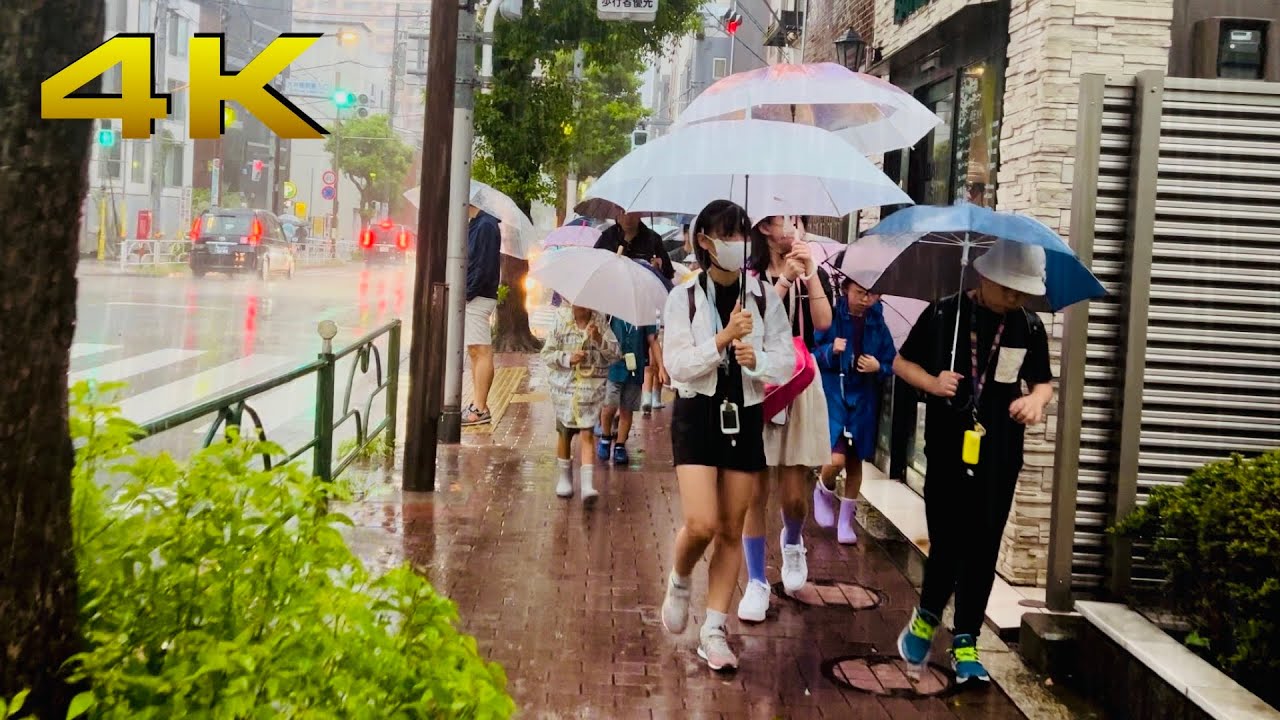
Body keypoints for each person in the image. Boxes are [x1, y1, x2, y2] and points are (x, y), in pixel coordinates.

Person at [892, 239, 1054, 684]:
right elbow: (901, 364)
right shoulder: (944, 314)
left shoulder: (1029, 326)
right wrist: (933, 381)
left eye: (1023, 291)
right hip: (947, 447)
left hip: (1001, 452)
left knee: (983, 545)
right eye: (1009, 289)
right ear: (985, 277)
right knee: (947, 541)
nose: (1016, 298)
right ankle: (926, 616)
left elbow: (1043, 384)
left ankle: (966, 641)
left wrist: (1035, 404)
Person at [659, 200, 792, 672]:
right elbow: (677, 365)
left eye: (740, 234)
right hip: (697, 414)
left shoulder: (761, 297)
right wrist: (721, 341)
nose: (736, 243)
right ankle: (679, 578)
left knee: (732, 528)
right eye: (725, 235)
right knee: (702, 523)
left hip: (745, 416)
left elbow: (786, 358)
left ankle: (713, 629)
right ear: (704, 242)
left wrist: (759, 360)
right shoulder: (685, 298)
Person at [736, 215, 834, 622]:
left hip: (800, 383)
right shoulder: (749, 276)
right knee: (755, 492)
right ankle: (757, 580)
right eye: (784, 220)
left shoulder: (812, 269)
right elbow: (753, 328)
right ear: (764, 229)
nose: (793, 227)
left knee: (794, 494)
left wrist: (808, 274)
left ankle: (793, 541)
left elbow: (824, 323)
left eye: (798, 219)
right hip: (760, 384)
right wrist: (781, 282)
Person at [812, 277, 897, 545]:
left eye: (871, 294)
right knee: (835, 459)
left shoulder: (877, 322)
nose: (865, 299)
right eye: (860, 292)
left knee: (855, 460)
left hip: (864, 399)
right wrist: (830, 350)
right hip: (835, 394)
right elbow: (811, 353)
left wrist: (878, 367)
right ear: (846, 288)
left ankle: (846, 520)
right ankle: (823, 489)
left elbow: (891, 361)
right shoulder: (831, 315)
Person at [541, 302, 620, 500]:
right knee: (565, 433)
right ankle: (565, 477)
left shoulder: (600, 321)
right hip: (564, 390)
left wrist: (598, 339)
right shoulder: (560, 319)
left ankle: (587, 485)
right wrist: (568, 358)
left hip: (590, 391)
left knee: (587, 432)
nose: (583, 307)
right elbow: (547, 354)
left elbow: (615, 354)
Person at [597, 315, 665, 466]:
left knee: (627, 409)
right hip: (613, 367)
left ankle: (620, 445)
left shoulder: (645, 314)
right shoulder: (612, 311)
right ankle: (605, 436)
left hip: (635, 368)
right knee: (609, 406)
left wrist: (661, 366)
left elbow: (653, 340)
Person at [462, 203, 502, 427]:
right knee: (475, 351)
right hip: (476, 295)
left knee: (481, 350)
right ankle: (479, 405)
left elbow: (482, 266)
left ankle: (479, 408)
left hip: (478, 296)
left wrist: (467, 292)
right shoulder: (479, 224)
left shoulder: (485, 225)